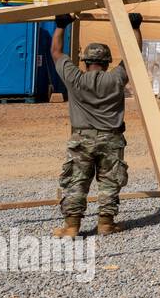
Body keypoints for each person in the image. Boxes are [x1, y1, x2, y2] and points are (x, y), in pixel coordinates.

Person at [50, 12, 143, 237]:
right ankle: (105, 224)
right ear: (106, 61)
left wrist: (61, 26)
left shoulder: (75, 78)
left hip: (82, 138)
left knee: (77, 181)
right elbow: (134, 55)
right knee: (109, 181)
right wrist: (135, 27)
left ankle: (72, 226)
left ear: (86, 61)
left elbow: (56, 52)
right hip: (111, 138)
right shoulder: (115, 79)